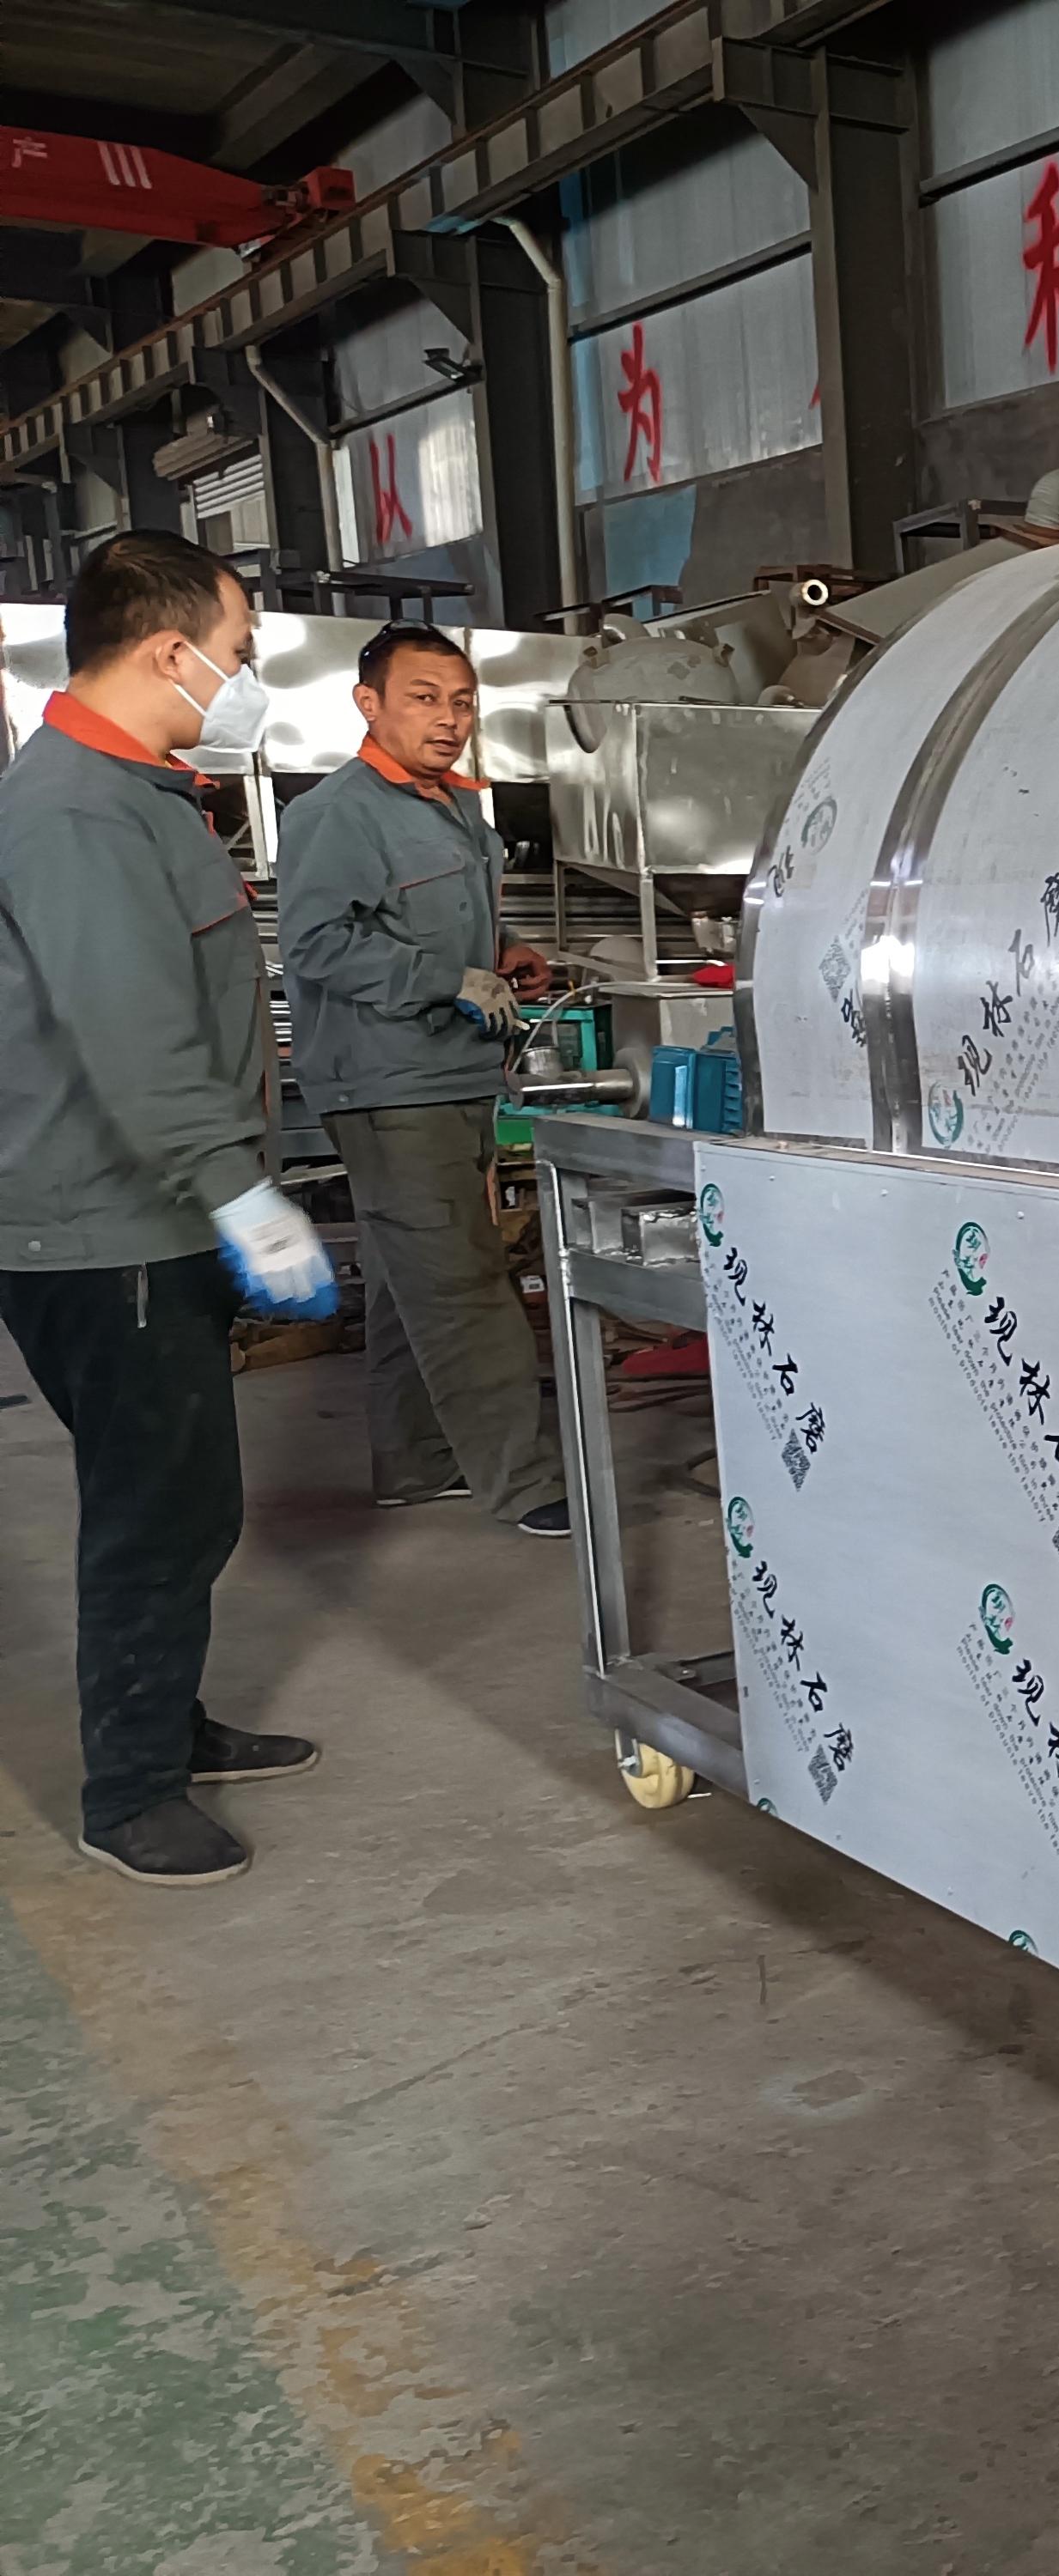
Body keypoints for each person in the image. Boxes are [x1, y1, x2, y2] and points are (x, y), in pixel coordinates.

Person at [0, 530, 337, 1888]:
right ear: (168, 651)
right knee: (158, 1510)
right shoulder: (77, 811)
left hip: (145, 1212)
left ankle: (168, 1721)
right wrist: (239, 1193)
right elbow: (133, 1032)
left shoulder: (133, 795)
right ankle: (130, 1792)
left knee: (178, 1497)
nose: (244, 678)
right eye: (240, 653)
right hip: (111, 1225)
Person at [277, 624, 569, 1538]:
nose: (449, 719)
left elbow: (428, 924)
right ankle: (526, 1483)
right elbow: (317, 945)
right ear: (368, 704)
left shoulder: (451, 809)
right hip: (389, 1083)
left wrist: (501, 953)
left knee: (412, 1281)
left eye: (462, 701)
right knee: (462, 1283)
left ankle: (417, 1463)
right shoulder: (341, 813)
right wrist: (447, 980)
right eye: (424, 698)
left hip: (450, 1073)